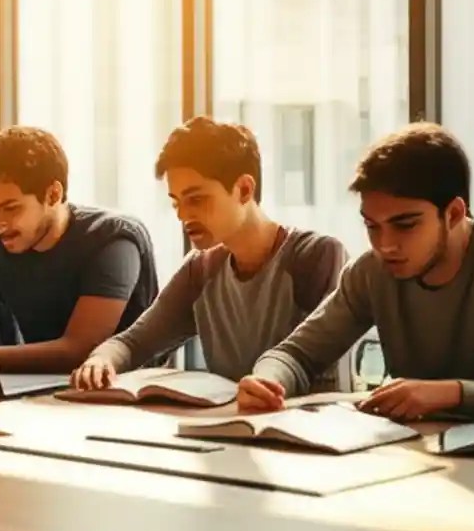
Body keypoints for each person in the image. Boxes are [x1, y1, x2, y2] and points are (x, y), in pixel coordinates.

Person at [238, 122, 474, 421]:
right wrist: (266, 380)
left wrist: (453, 393)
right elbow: (296, 355)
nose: (385, 245)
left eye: (405, 225)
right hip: (429, 463)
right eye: (372, 226)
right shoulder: (371, 271)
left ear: (455, 214)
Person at [71, 116, 347, 389]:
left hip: (306, 424)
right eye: (176, 202)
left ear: (244, 189)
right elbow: (134, 342)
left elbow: (318, 365)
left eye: (196, 199)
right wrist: (100, 360)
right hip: (230, 422)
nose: (183, 215)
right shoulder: (200, 269)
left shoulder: (316, 256)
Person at [0, 126, 159, 374]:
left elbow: (80, 350)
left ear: (53, 194)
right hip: (43, 390)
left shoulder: (111, 239)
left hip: (128, 395)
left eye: (11, 208)